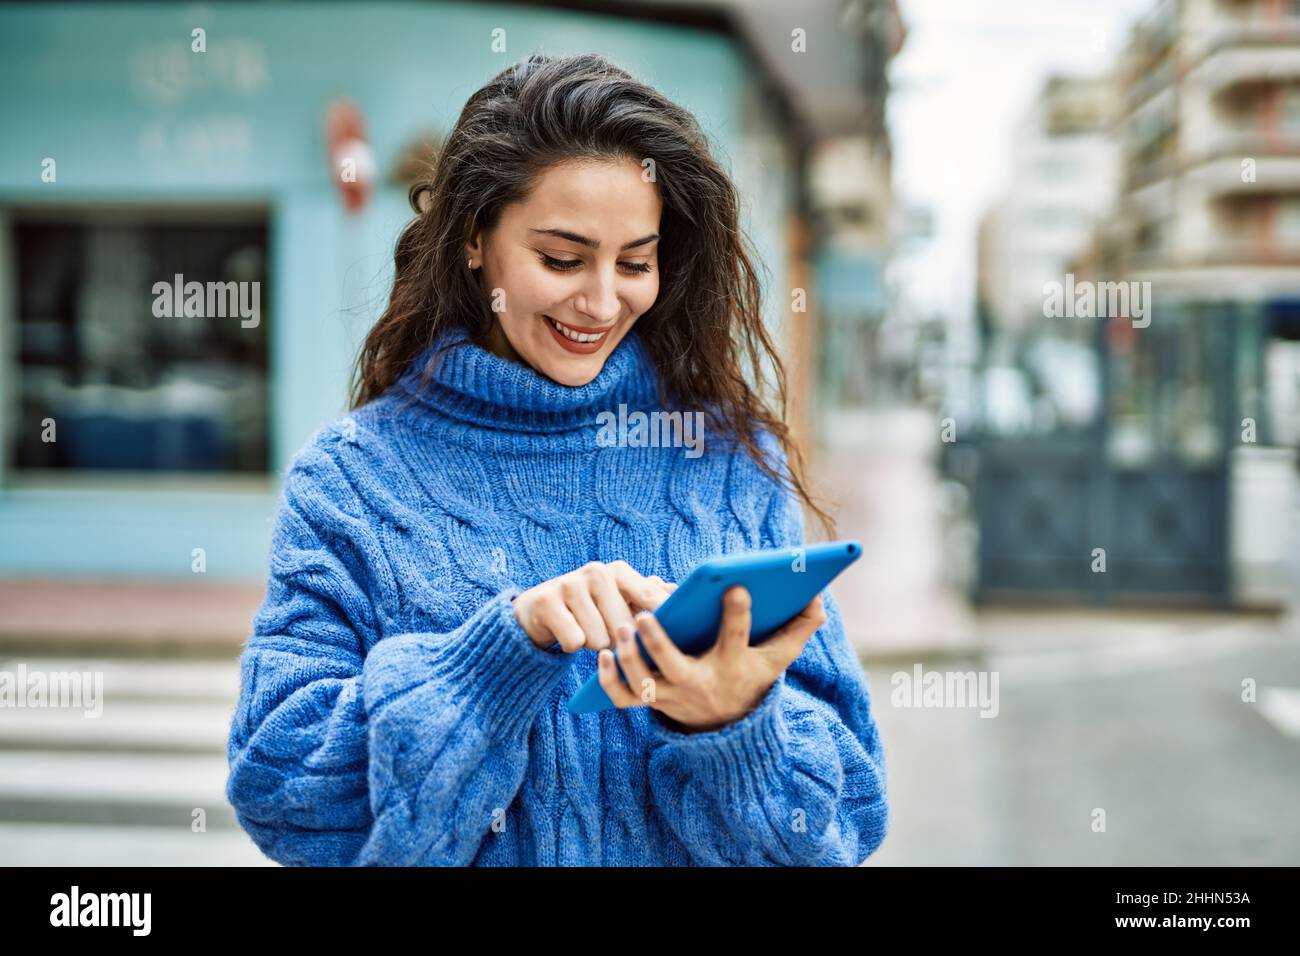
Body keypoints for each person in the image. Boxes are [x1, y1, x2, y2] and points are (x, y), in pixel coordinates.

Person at [225, 52, 888, 866]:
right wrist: (498, 657)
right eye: (562, 259)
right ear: (475, 240)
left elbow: (847, 818)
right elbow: (280, 787)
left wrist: (734, 727)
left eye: (635, 263)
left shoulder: (725, 460)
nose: (603, 301)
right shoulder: (351, 480)